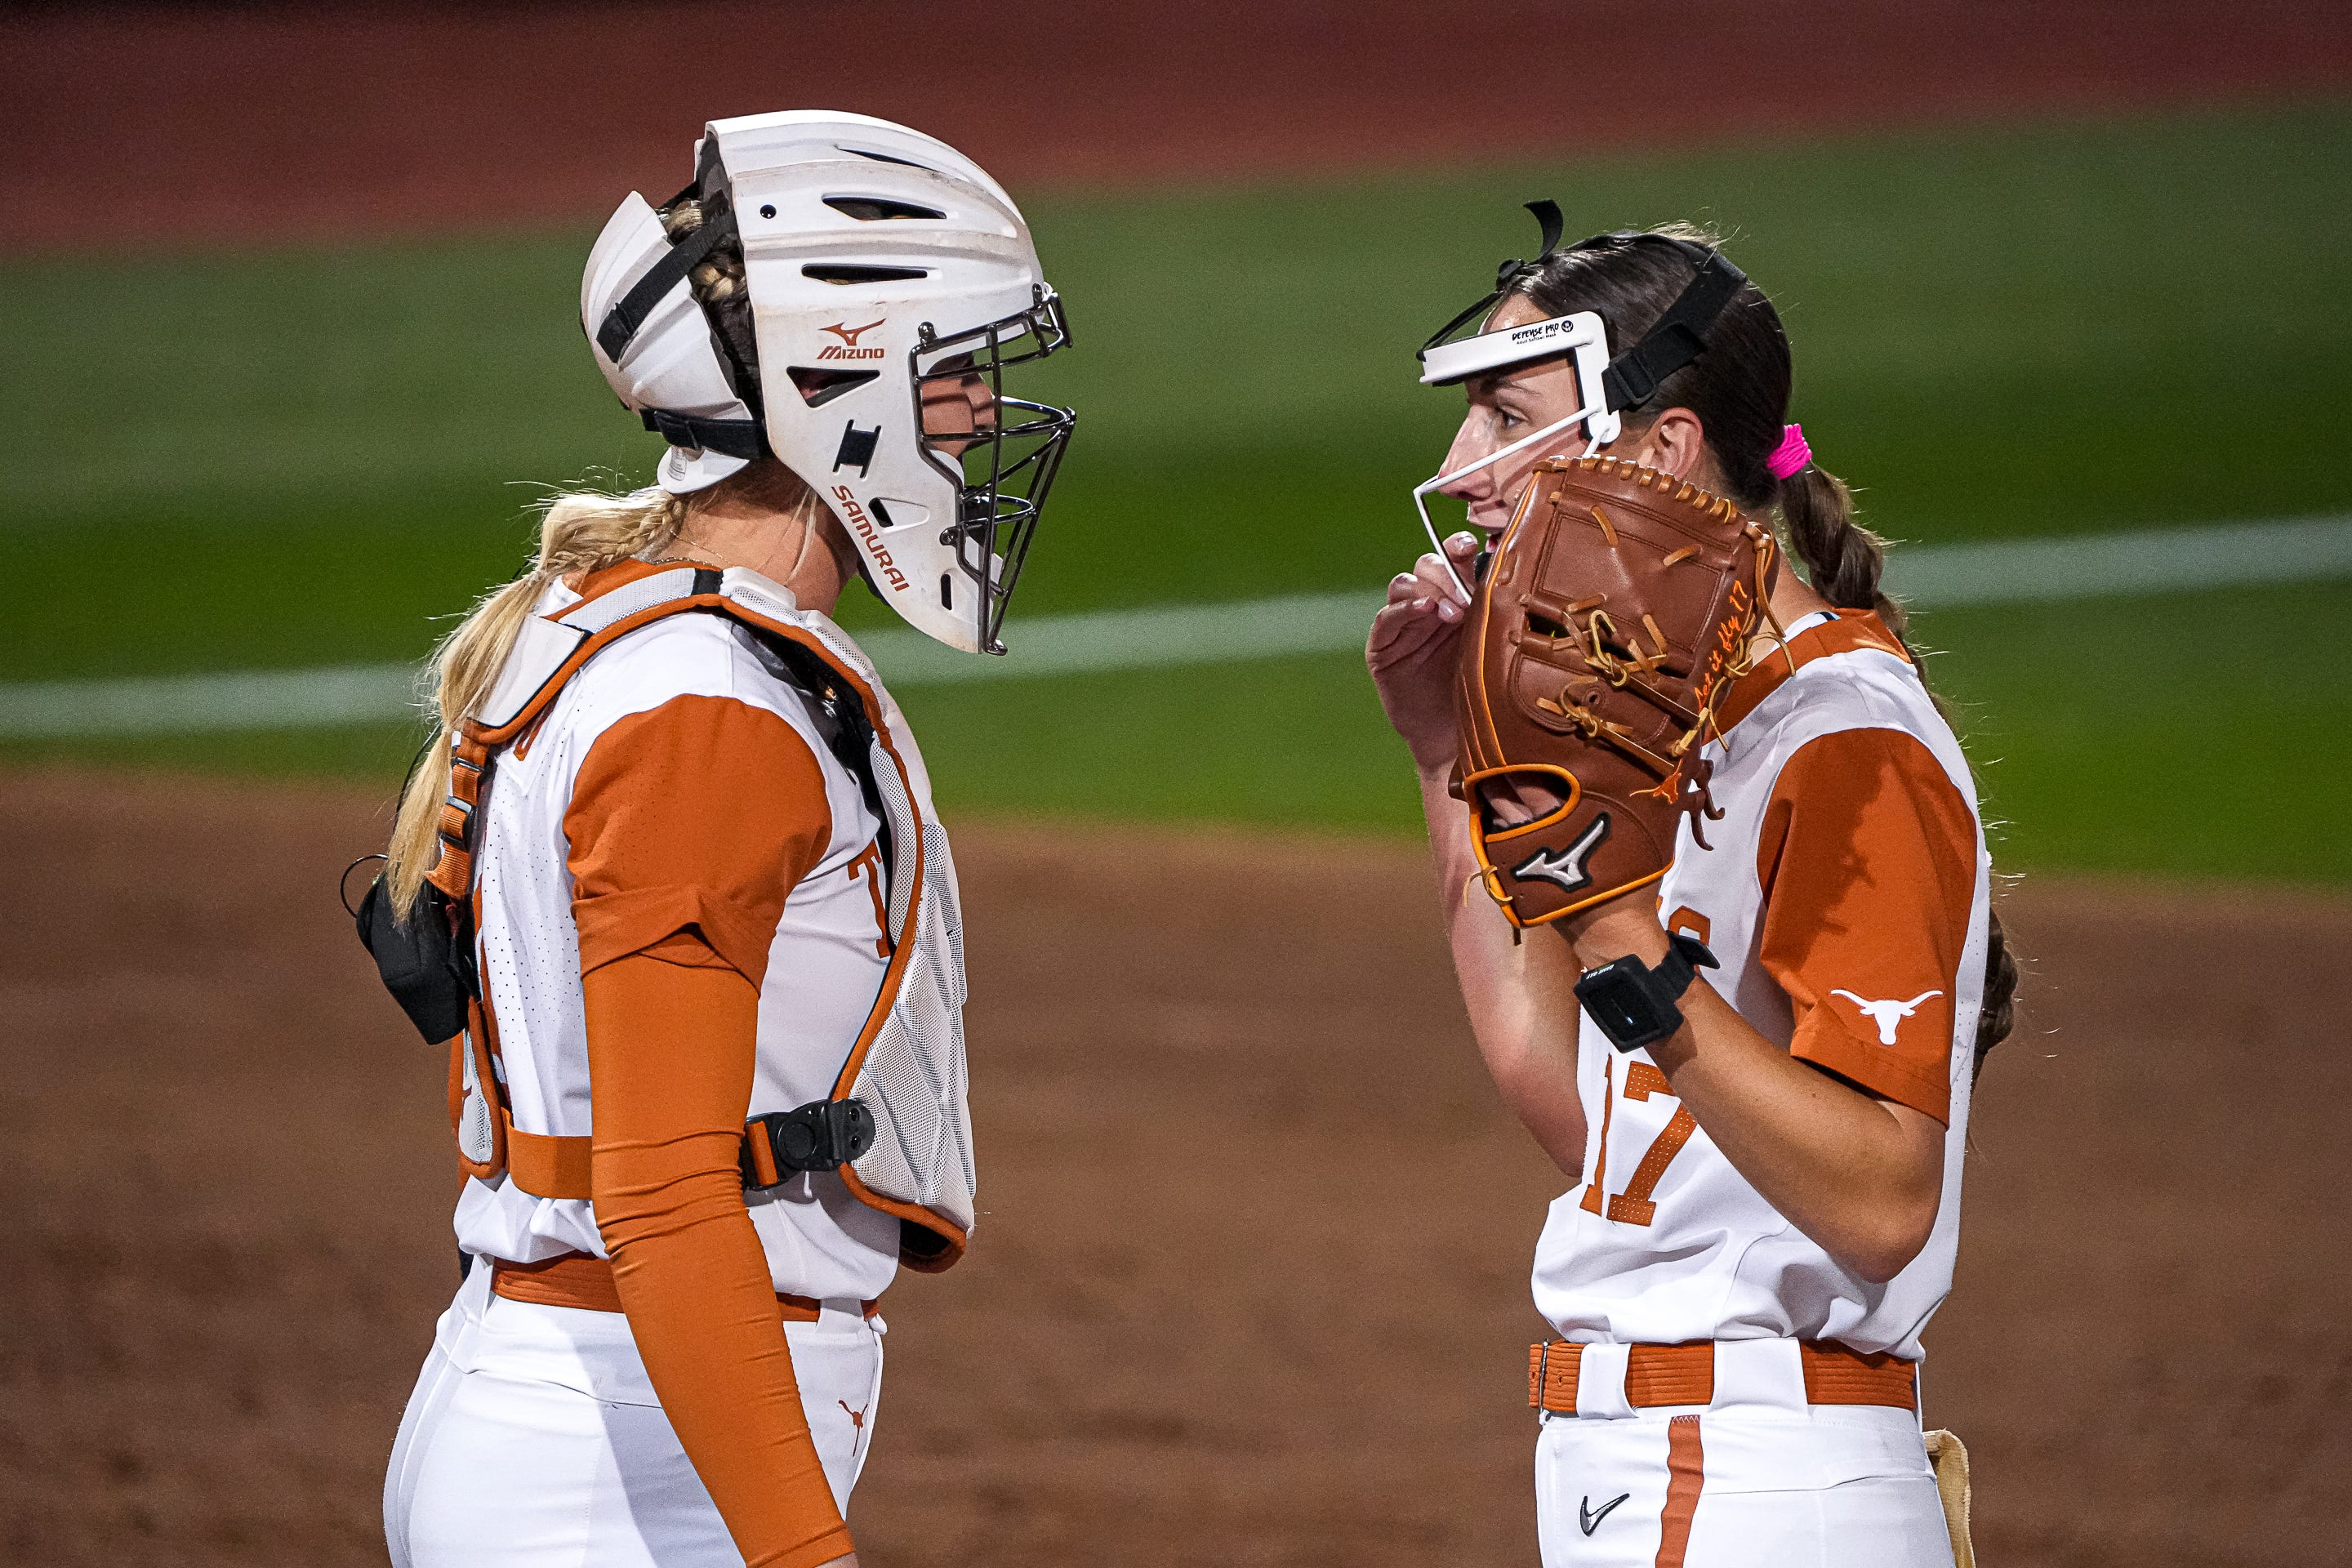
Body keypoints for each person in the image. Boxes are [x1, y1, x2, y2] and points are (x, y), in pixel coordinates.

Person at [369, 110, 1075, 1568]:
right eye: (947, 370)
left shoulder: (606, 628)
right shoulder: (708, 709)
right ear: (840, 385)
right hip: (625, 1471)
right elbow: (666, 1197)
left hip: (592, 1423)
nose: (979, 414)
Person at [1367, 211, 2018, 1566]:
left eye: (1506, 417)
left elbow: (1889, 1200)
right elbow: (1582, 1111)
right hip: (1674, 1472)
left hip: (1753, 1478)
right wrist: (1445, 757)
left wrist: (1629, 950)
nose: (1462, 471)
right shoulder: (1685, 722)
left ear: (1663, 449)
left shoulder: (1850, 746)